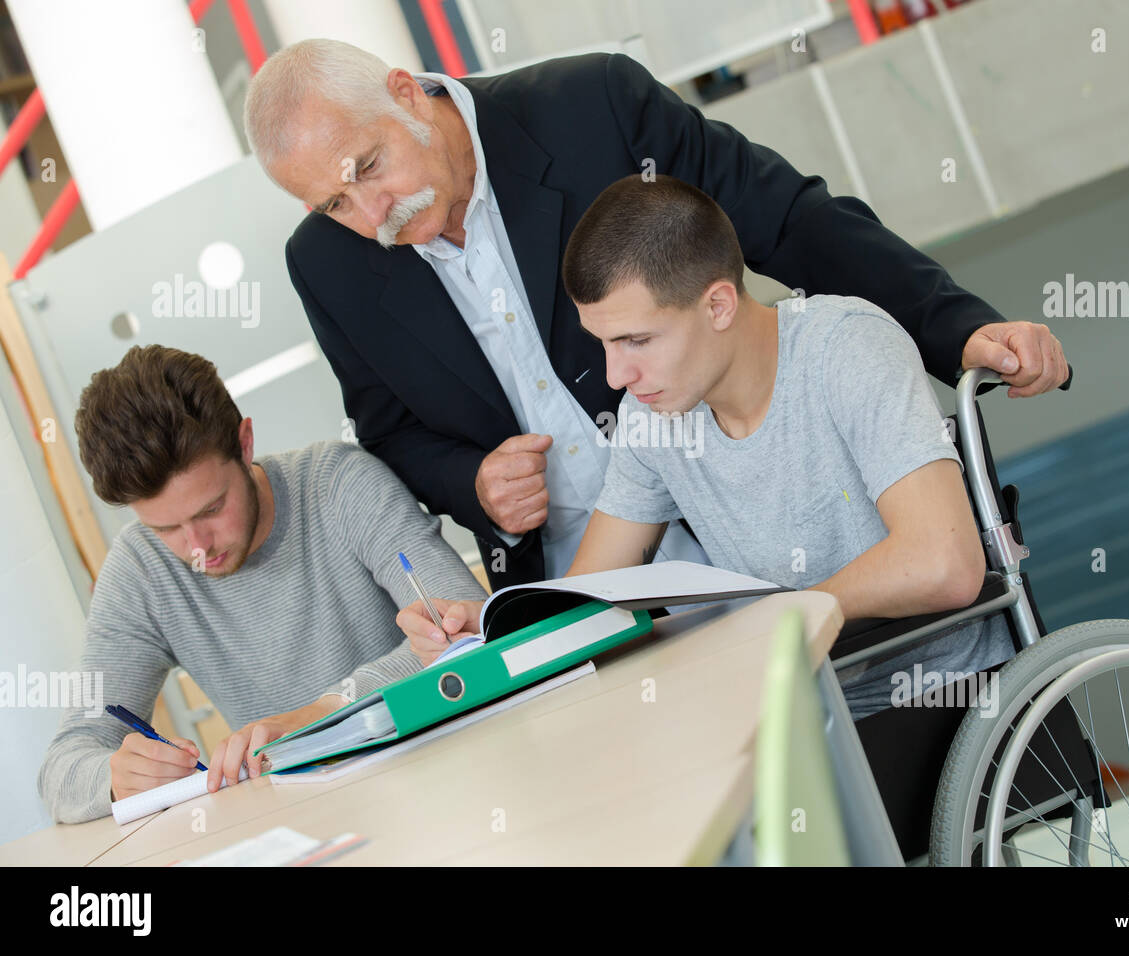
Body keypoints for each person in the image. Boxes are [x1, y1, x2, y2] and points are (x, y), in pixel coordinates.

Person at [242, 39, 1069, 600]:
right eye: (334, 202)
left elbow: (784, 217)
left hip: (753, 523)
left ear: (405, 94)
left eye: (369, 168)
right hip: (583, 572)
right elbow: (388, 431)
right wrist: (472, 482)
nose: (372, 212)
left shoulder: (588, 105)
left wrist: (953, 328)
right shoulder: (325, 262)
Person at [401, 176, 1028, 719]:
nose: (616, 375)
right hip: (796, 715)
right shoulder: (650, 419)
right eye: (604, 345)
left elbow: (945, 565)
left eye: (637, 341)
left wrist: (782, 618)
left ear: (719, 304)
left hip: (941, 701)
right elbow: (583, 606)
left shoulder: (846, 348)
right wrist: (481, 638)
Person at [38, 346, 484, 823]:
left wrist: (324, 712)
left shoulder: (338, 484)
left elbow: (471, 626)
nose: (197, 547)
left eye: (210, 509)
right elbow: (62, 767)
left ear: (245, 443)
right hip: (307, 824)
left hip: (444, 781)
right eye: (165, 528)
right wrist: (115, 774)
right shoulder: (140, 570)